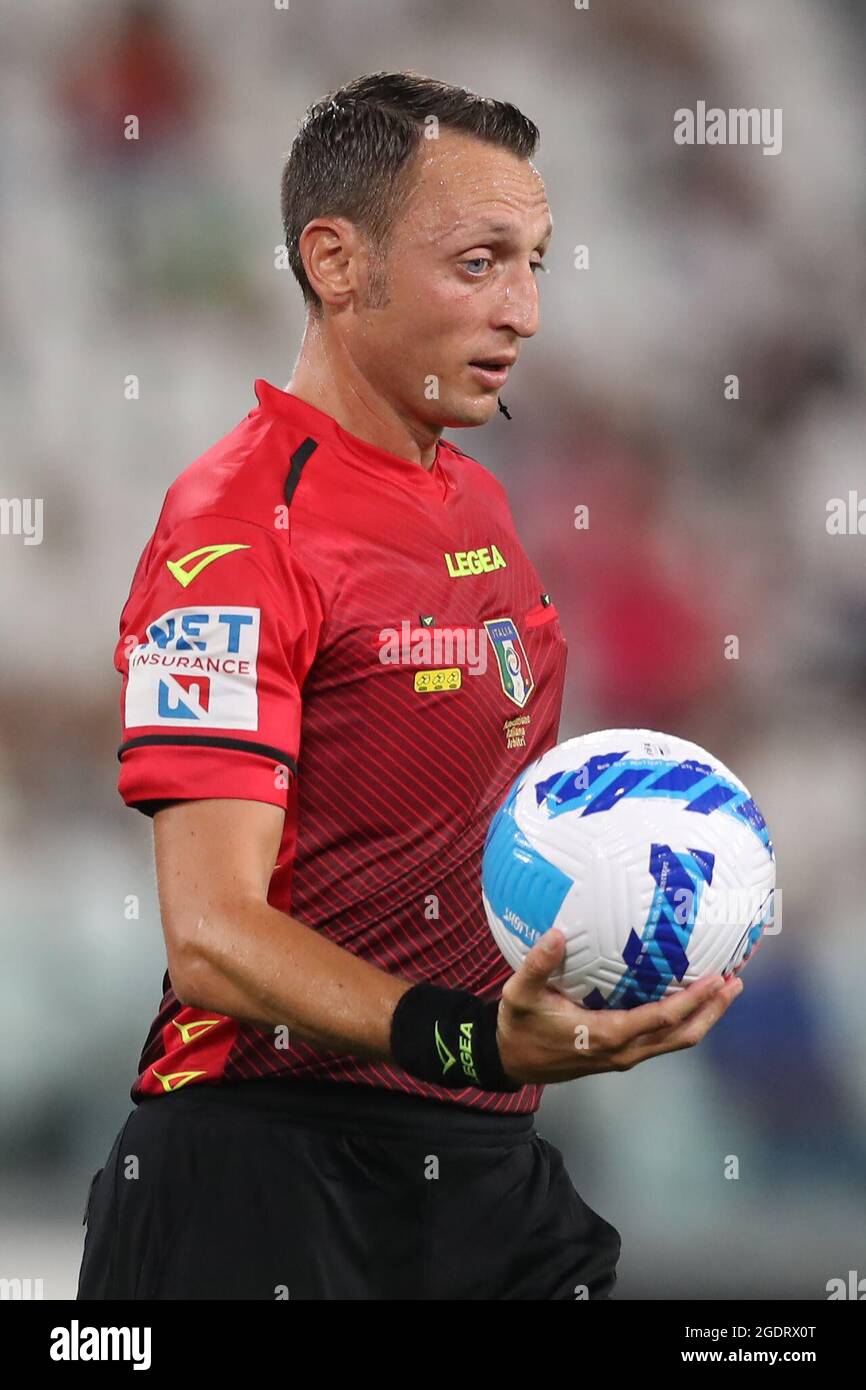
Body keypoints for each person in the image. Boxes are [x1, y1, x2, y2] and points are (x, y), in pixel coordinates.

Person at [77, 71, 742, 1302]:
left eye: (536, 262)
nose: (526, 310)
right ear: (334, 261)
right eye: (480, 261)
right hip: (263, 1179)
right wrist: (471, 1035)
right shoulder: (231, 532)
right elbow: (213, 939)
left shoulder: (479, 503)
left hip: (482, 1161)